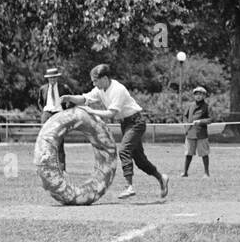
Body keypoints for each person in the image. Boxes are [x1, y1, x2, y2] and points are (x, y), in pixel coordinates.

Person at [63, 64, 170, 200]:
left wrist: (91, 111)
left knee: (124, 150)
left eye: (95, 80)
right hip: (125, 124)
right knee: (140, 161)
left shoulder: (118, 89)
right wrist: (70, 98)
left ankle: (129, 187)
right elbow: (85, 99)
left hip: (136, 122)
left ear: (105, 78)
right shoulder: (100, 89)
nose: (93, 83)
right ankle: (162, 178)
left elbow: (111, 113)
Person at [39, 66, 70, 170]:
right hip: (47, 114)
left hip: (59, 114)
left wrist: (65, 111)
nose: (52, 80)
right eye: (50, 78)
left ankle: (62, 168)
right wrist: (44, 112)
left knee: (59, 142)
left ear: (57, 78)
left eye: (54, 78)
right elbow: (40, 102)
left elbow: (71, 100)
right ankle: (47, 166)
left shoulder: (64, 87)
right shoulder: (43, 88)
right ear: (47, 78)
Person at [183, 85, 211, 177]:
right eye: (196, 94)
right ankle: (185, 172)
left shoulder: (206, 107)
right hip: (190, 133)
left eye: (201, 94)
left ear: (204, 96)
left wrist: (200, 122)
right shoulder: (190, 105)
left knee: (204, 154)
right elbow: (185, 116)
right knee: (188, 154)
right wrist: (186, 126)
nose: (198, 96)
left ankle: (206, 173)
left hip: (201, 134)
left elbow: (210, 119)